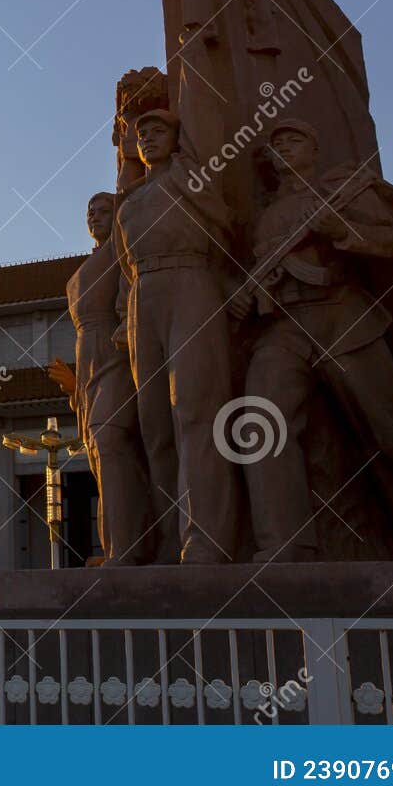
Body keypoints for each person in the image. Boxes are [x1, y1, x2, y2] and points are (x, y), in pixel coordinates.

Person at [231, 119, 393, 581]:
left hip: (346, 319)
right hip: (285, 325)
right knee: (259, 423)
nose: (285, 147)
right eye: (277, 143)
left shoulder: (345, 192)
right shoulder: (265, 215)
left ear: (314, 147)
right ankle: (284, 544)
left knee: (392, 436)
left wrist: (339, 230)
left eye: (295, 138)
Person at [114, 109, 242, 563]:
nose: (148, 138)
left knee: (194, 410)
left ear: (177, 138)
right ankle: (170, 535)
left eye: (158, 130)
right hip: (143, 299)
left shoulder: (193, 177)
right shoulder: (128, 204)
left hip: (191, 280)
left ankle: (206, 537)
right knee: (155, 425)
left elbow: (227, 238)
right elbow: (126, 271)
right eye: (141, 133)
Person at [60, 192, 154, 564]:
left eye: (104, 211)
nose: (95, 217)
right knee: (99, 455)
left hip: (116, 351)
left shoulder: (122, 252)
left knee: (112, 440)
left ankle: (130, 547)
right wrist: (75, 385)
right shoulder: (89, 265)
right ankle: (115, 546)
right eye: (90, 212)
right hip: (87, 360)